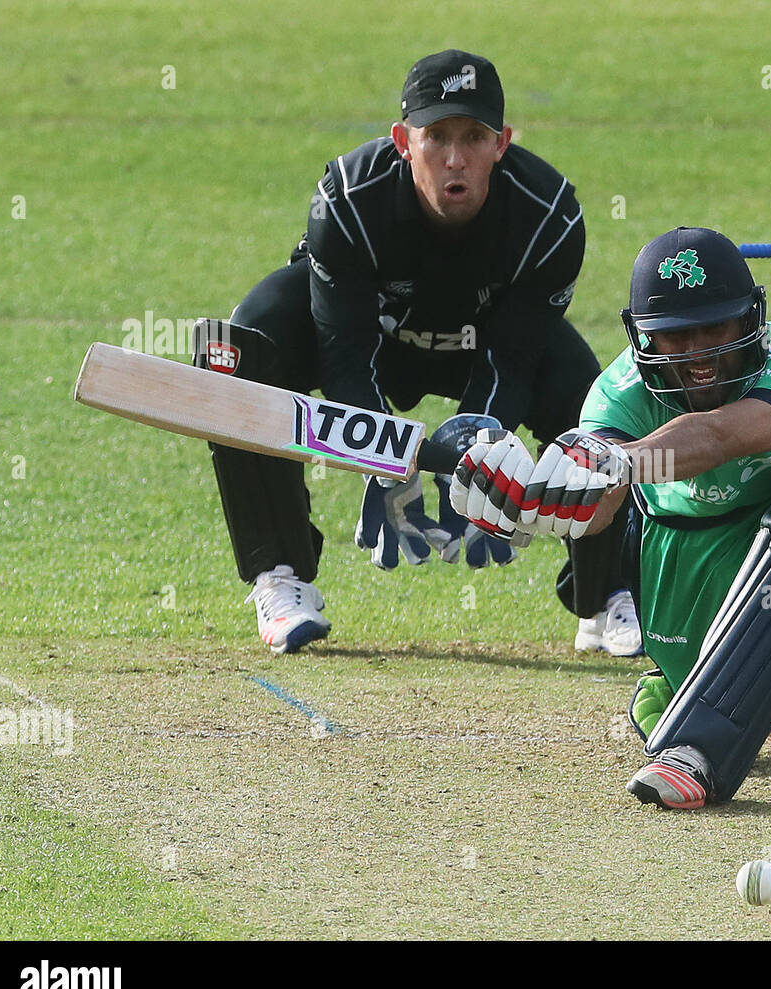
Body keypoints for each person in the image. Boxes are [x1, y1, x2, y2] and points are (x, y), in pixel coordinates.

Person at [451, 227, 771, 808]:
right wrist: (545, 505)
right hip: (677, 547)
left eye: (717, 329)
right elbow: (602, 509)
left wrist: (622, 459)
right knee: (675, 698)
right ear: (644, 340)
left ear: (749, 320)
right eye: (678, 337)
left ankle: (733, 720)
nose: (700, 352)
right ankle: (754, 686)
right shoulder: (615, 393)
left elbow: (726, 435)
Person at [191, 49, 638, 656]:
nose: (455, 158)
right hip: (364, 336)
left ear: (502, 143)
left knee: (596, 403)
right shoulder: (348, 200)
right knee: (238, 348)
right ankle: (281, 578)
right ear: (403, 140)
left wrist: (477, 465)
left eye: (474, 137)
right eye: (437, 137)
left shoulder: (549, 220)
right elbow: (345, 354)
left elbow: (513, 361)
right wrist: (388, 463)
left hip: (481, 344)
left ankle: (605, 594)